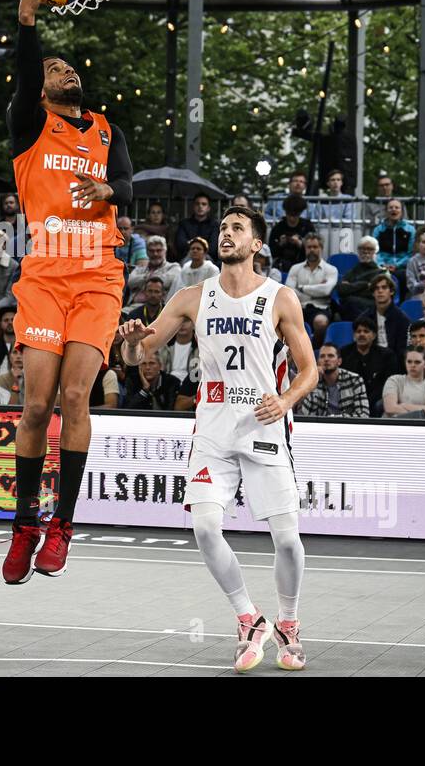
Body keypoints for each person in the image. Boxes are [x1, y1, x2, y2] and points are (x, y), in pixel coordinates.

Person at [119, 205, 316, 673]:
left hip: (263, 426)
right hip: (212, 427)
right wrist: (129, 341)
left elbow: (308, 370)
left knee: (287, 541)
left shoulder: (281, 298)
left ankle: (288, 622)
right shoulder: (191, 295)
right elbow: (138, 354)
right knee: (205, 527)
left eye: (237, 229)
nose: (226, 234)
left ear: (257, 245)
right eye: (223, 227)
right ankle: (249, 618)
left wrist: (286, 401)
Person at [0, 0, 135, 585]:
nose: (67, 70)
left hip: (99, 277)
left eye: (70, 66)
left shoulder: (107, 131)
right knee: (34, 406)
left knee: (77, 395)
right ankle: (26, 521)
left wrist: (111, 195)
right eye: (57, 68)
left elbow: (128, 186)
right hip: (46, 277)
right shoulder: (30, 126)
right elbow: (27, 76)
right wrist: (28, 18)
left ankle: (63, 525)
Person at [297, 343, 368, 418]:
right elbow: (307, 415)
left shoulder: (355, 380)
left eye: (331, 356)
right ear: (318, 362)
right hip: (321, 427)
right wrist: (313, 381)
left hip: (348, 426)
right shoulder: (313, 381)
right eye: (322, 356)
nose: (326, 359)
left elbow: (363, 414)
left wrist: (335, 418)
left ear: (339, 361)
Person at [340, 317, 394, 414]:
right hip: (349, 396)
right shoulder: (343, 354)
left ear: (374, 335)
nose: (361, 334)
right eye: (358, 331)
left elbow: (388, 383)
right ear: (353, 335)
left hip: (377, 398)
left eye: (366, 331)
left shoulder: (386, 355)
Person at [286, 233, 337, 326]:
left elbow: (326, 290)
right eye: (309, 247)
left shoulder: (331, 270)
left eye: (315, 247)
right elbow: (289, 291)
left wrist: (301, 288)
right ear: (305, 249)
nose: (312, 250)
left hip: (321, 308)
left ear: (321, 248)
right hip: (297, 307)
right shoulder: (295, 268)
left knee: (321, 322)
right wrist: (317, 291)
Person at [381, 348, 425, 419]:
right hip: (392, 425)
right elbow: (390, 408)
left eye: (417, 362)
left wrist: (403, 405)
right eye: (409, 362)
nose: (412, 365)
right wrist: (422, 412)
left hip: (419, 428)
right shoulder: (394, 380)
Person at [311, 168, 358, 257]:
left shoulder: (348, 199)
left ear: (341, 183)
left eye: (338, 180)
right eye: (332, 180)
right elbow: (318, 221)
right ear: (328, 183)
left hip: (344, 234)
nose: (335, 182)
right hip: (326, 234)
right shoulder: (322, 200)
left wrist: (331, 221)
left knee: (344, 258)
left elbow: (349, 220)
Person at [336, 237, 383, 320]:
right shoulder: (353, 270)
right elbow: (341, 290)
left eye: (369, 249)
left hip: (371, 306)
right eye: (362, 249)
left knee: (349, 301)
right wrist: (365, 285)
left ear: (375, 252)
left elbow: (373, 292)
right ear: (358, 251)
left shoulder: (380, 272)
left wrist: (351, 287)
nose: (365, 251)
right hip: (352, 307)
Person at [267, 195, 314, 275]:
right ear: (285, 212)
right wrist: (280, 244)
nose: (292, 218)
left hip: (303, 265)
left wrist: (301, 244)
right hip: (280, 266)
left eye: (295, 215)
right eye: (289, 214)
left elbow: (314, 250)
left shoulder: (307, 227)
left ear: (300, 213)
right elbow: (270, 253)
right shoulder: (278, 228)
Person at [369, 273, 409, 358]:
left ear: (391, 291)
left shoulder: (402, 319)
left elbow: (402, 350)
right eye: (376, 288)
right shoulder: (366, 318)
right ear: (373, 293)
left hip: (394, 362)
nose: (380, 291)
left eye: (384, 287)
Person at [371, 198, 415, 275]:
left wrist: (397, 265)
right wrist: (382, 264)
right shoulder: (378, 230)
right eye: (390, 207)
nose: (393, 210)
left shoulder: (410, 230)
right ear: (386, 211)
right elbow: (375, 251)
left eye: (397, 207)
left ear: (402, 211)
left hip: (402, 267)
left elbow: (411, 253)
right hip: (382, 266)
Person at [175, 193, 218, 263]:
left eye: (204, 204)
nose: (200, 206)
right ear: (193, 206)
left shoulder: (214, 225)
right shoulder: (184, 224)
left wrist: (194, 246)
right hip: (188, 257)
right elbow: (180, 244)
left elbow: (213, 247)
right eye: (197, 204)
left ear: (208, 208)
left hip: (207, 258)